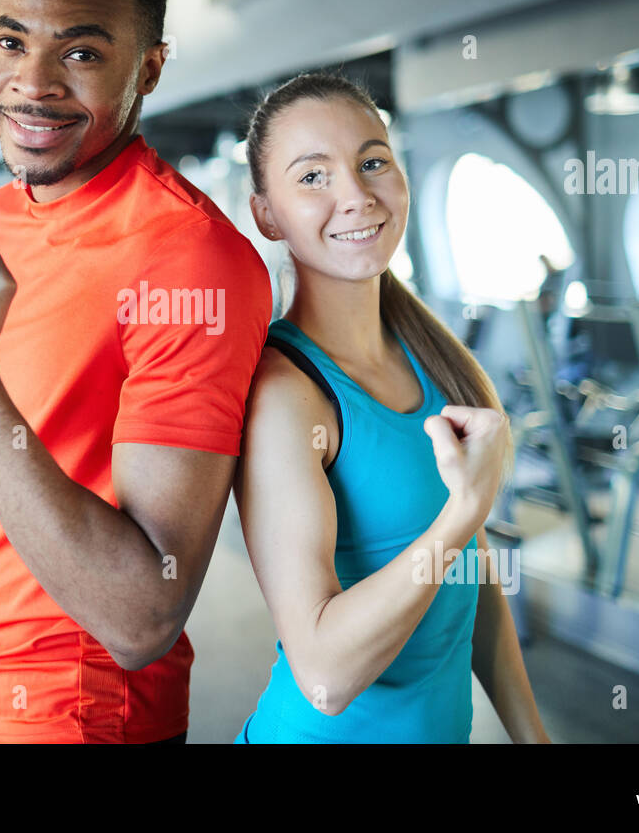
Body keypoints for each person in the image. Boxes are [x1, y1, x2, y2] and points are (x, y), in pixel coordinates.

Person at [0, 0, 272, 744]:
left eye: (82, 53)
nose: (33, 83)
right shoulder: (1, 214)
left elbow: (142, 619)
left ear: (151, 68)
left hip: (81, 720)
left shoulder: (190, 260)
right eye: (10, 41)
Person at [232, 72, 550, 743]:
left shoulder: (430, 356)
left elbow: (470, 570)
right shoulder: (285, 395)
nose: (356, 195)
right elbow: (324, 677)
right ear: (267, 214)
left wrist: (533, 735)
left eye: (372, 161)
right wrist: (464, 508)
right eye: (313, 177)